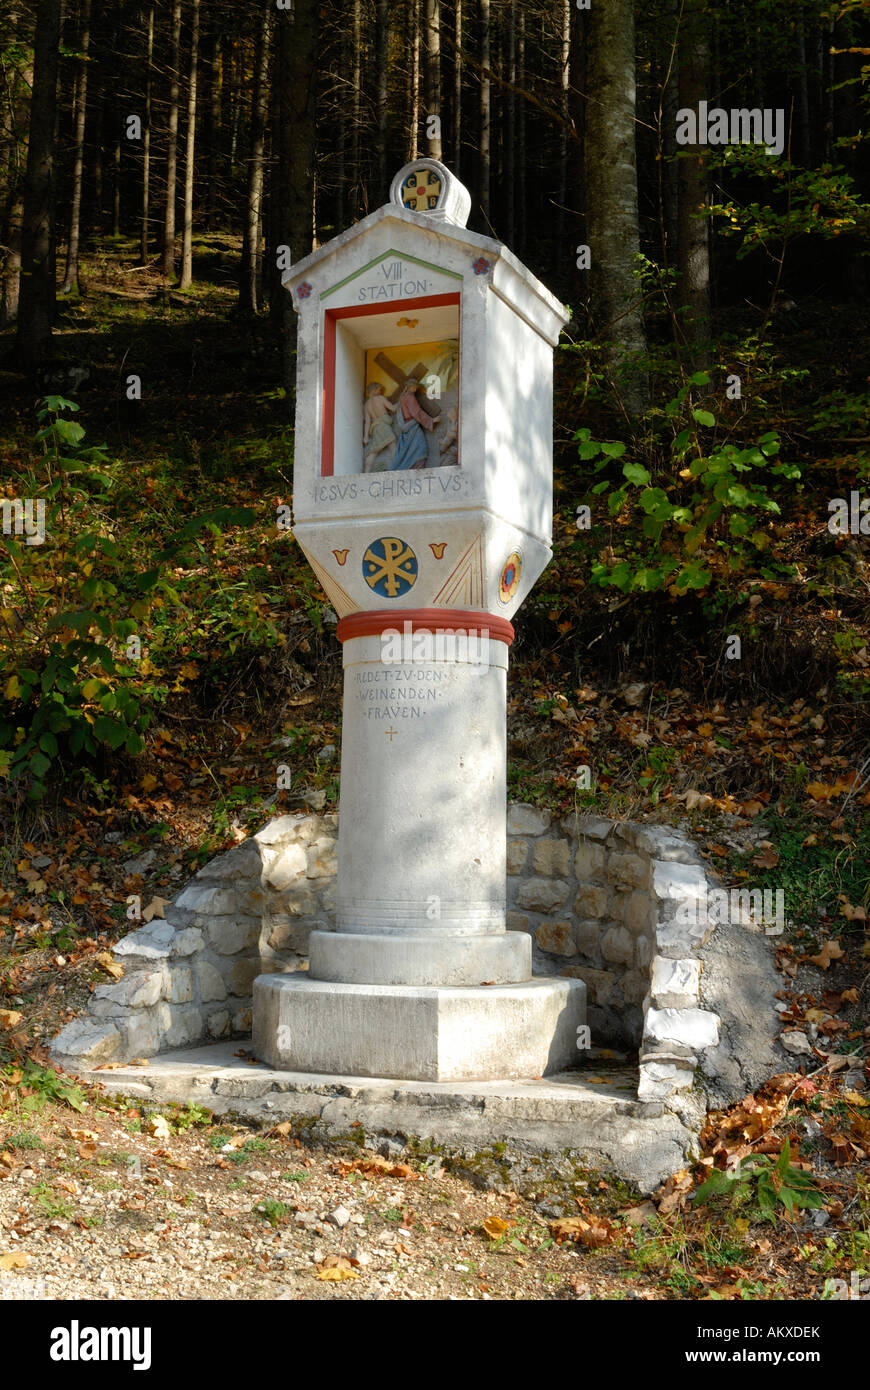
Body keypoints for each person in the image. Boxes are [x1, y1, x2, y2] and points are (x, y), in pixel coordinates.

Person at [391, 378, 441, 470]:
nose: (415, 389)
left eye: (416, 388)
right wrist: (431, 420)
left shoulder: (403, 397)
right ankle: (416, 468)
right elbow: (417, 412)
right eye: (414, 387)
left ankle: (410, 467)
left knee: (407, 450)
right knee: (421, 447)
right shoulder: (410, 397)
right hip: (412, 425)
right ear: (410, 387)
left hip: (406, 426)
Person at [362, 382, 397, 472]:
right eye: (379, 390)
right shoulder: (381, 399)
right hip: (384, 426)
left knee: (374, 450)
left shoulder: (367, 404)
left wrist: (366, 437)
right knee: (393, 445)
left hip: (375, 429)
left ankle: (366, 471)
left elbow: (368, 422)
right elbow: (393, 408)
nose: (381, 392)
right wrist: (400, 401)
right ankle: (397, 467)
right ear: (374, 390)